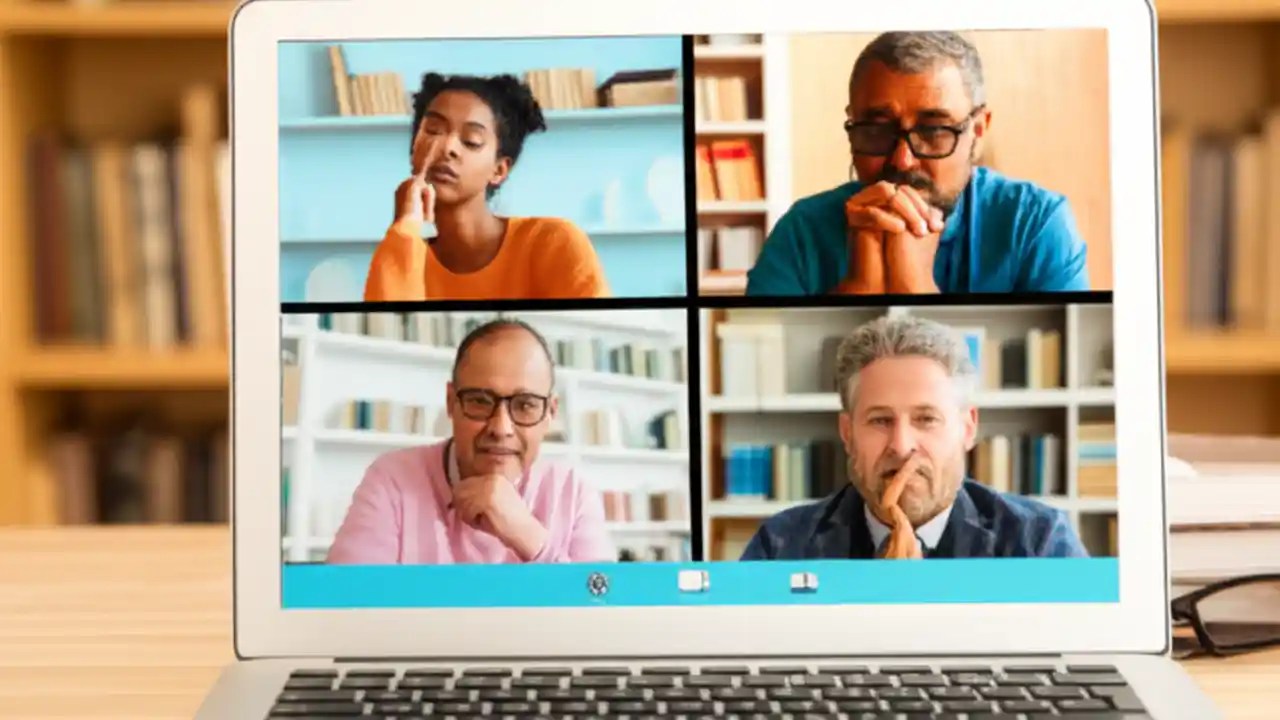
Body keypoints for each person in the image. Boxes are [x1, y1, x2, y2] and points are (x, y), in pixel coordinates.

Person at [745, 31, 1090, 296]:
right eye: (877, 130)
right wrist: (860, 286)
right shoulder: (801, 231)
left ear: (979, 130)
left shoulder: (1036, 223)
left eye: (934, 130)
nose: (903, 160)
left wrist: (915, 287)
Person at [740, 314, 1088, 560]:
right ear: (847, 433)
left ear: (967, 428)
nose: (902, 445)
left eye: (926, 419)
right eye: (879, 420)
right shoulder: (781, 545)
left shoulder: (1040, 541)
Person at [326, 318, 615, 564]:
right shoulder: (393, 479)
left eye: (525, 404)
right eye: (479, 401)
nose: (501, 428)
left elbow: (603, 616)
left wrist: (527, 535)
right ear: (451, 402)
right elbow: (342, 608)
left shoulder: (574, 493)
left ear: (550, 413)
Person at [363, 73, 611, 301]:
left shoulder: (554, 244)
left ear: (499, 170)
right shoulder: (404, 253)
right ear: (413, 149)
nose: (448, 147)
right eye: (433, 130)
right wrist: (405, 226)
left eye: (471, 141)